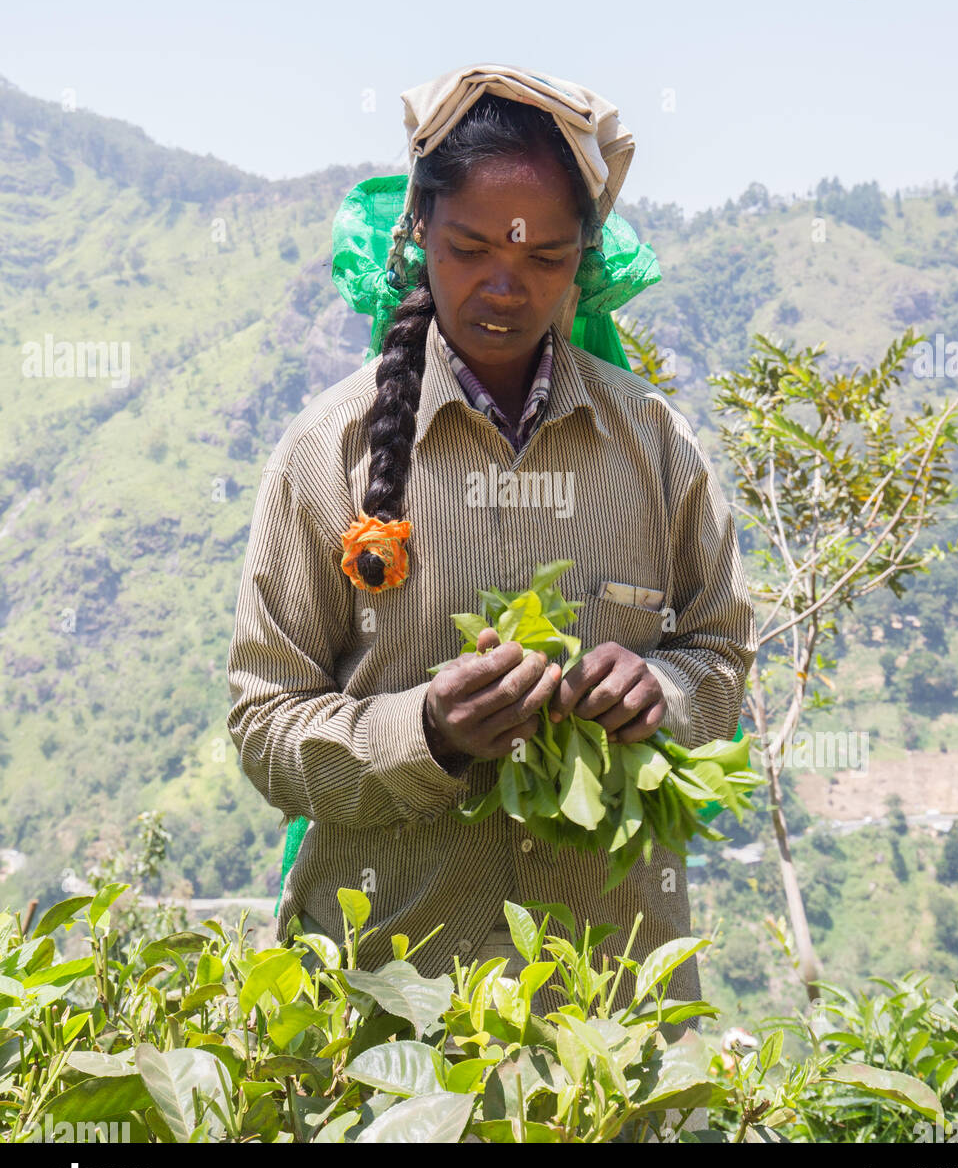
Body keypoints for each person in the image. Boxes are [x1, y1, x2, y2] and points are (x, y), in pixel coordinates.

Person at [225, 63, 759, 1028]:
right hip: (393, 1024)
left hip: (611, 1029)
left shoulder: (656, 446)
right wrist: (423, 732)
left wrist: (663, 693)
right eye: (471, 247)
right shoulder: (327, 456)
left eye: (546, 258)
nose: (506, 288)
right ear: (420, 229)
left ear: (585, 259)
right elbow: (265, 728)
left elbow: (721, 657)